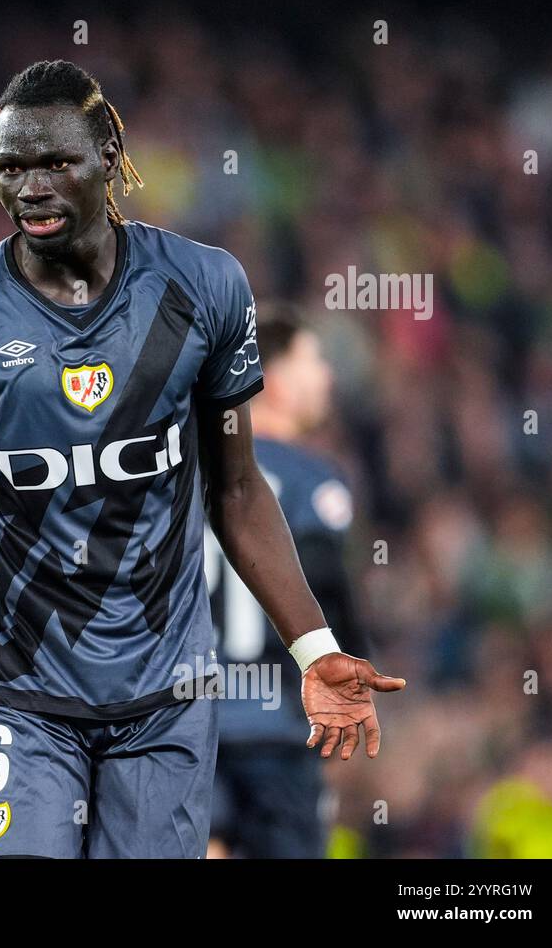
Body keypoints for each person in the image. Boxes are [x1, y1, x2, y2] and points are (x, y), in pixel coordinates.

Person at [0, 60, 404, 858]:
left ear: (109, 155)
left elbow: (237, 490)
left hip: (167, 696)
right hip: (21, 691)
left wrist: (314, 646)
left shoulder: (204, 286)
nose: (30, 186)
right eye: (11, 168)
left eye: (55, 163)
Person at [206, 310, 369, 858]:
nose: (326, 375)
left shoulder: (184, 468)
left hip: (187, 713)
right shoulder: (311, 480)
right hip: (276, 723)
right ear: (273, 380)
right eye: (312, 360)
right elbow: (328, 597)